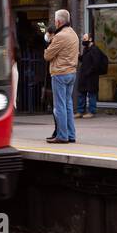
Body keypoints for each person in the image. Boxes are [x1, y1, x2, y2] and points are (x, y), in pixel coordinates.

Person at [43, 9, 79, 144]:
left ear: (58, 22)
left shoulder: (60, 36)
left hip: (60, 73)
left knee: (60, 106)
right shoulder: (74, 34)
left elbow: (47, 55)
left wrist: (49, 43)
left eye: (55, 21)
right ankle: (71, 134)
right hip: (71, 73)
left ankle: (62, 135)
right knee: (68, 104)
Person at [75, 33, 108, 118]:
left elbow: (96, 63)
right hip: (84, 75)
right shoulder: (86, 49)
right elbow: (84, 60)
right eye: (83, 39)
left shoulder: (95, 50)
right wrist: (79, 56)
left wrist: (89, 71)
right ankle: (80, 111)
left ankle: (91, 112)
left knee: (91, 94)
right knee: (81, 93)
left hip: (91, 76)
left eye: (85, 39)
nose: (83, 40)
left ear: (90, 39)